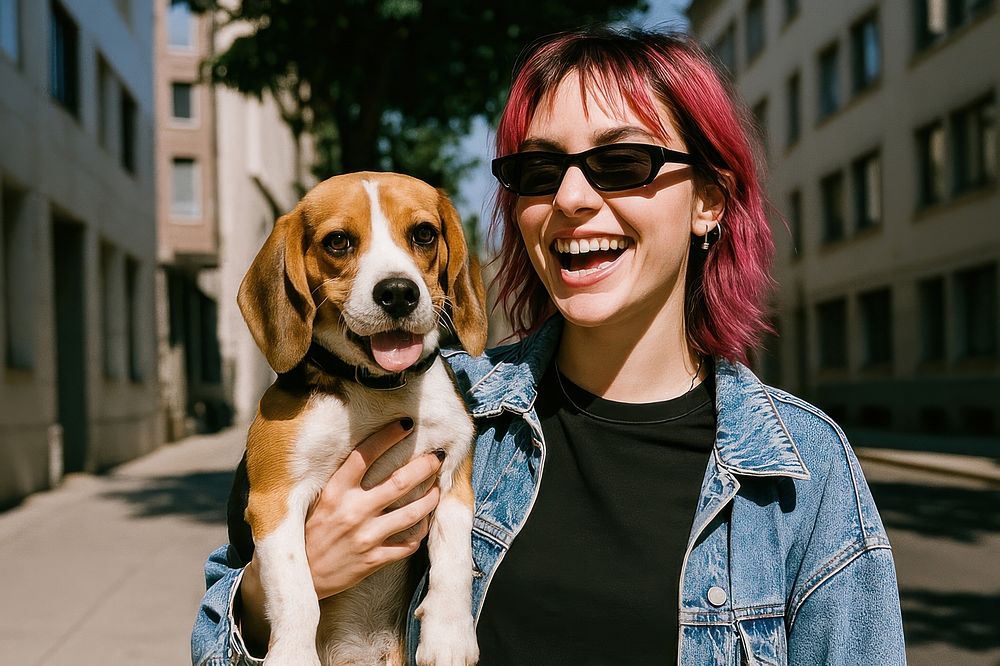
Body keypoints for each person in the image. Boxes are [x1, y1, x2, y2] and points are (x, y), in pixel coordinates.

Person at [192, 26, 906, 665]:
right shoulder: (427, 404)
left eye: (623, 162)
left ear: (710, 200)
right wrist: (282, 587)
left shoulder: (805, 471)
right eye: (540, 171)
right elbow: (216, 640)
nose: (570, 199)